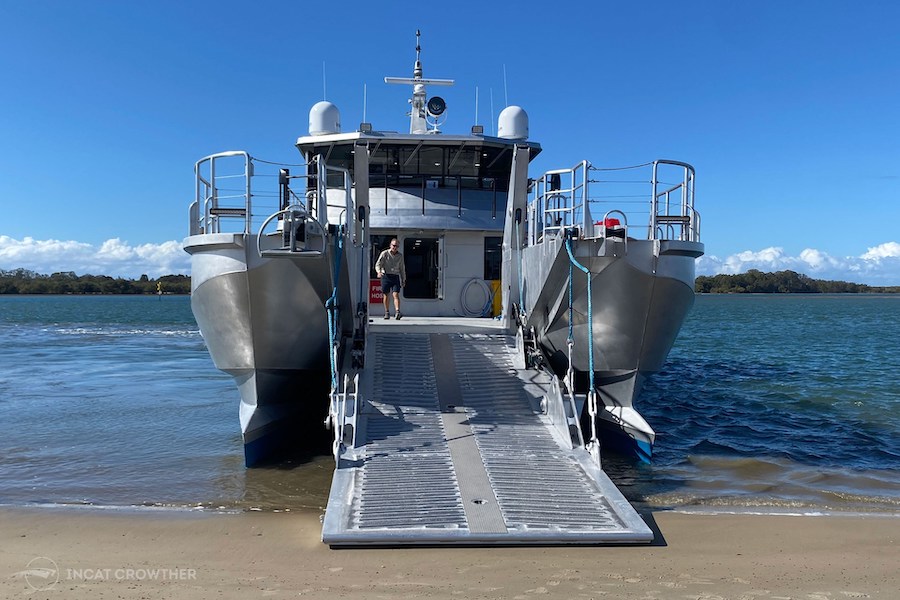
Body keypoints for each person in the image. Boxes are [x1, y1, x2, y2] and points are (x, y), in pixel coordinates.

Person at [375, 238, 406, 320]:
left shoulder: (400, 256)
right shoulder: (384, 253)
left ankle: (397, 311)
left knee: (395, 294)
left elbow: (402, 268)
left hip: (395, 276)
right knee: (386, 294)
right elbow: (378, 264)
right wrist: (379, 272)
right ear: (390, 245)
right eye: (393, 245)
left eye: (396, 246)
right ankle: (387, 312)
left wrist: (403, 279)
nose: (394, 247)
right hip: (386, 276)